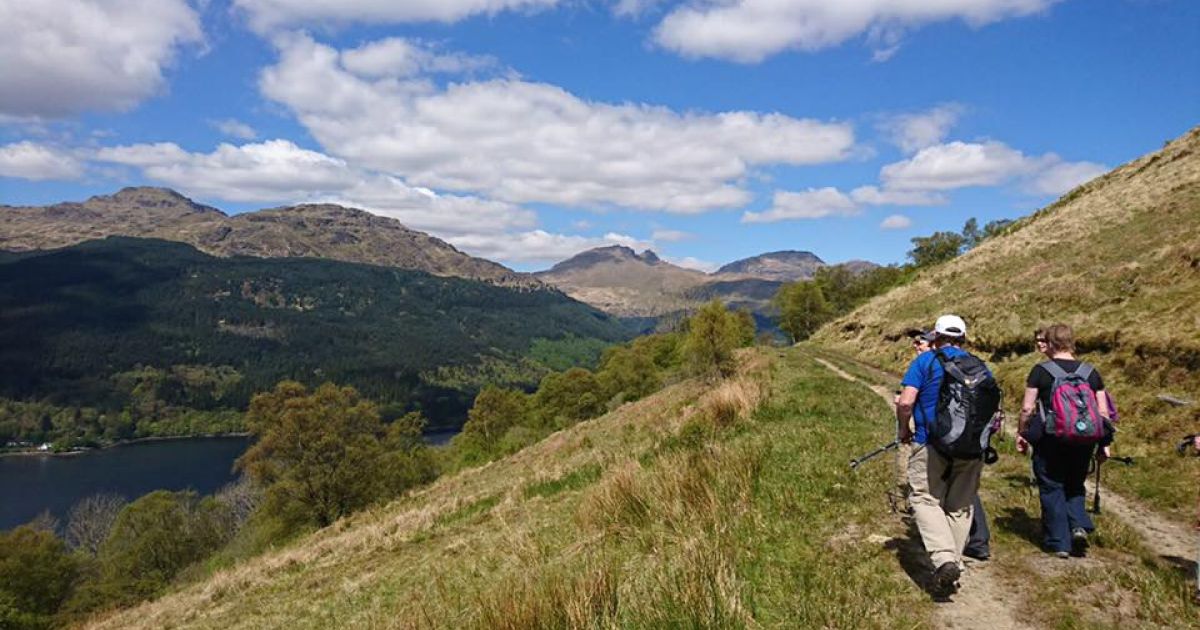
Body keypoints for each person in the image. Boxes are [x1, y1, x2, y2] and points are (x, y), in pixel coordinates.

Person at [896, 315, 990, 595]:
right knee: (960, 506)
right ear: (963, 338)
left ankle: (944, 559)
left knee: (924, 498)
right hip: (971, 448)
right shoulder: (980, 365)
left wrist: (904, 429)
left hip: (930, 443)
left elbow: (906, 402)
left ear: (936, 337)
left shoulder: (925, 361)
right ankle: (953, 565)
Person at [1016, 324, 1112, 558]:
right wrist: (1105, 443)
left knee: (1051, 485)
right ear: (1072, 342)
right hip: (1084, 439)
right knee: (1075, 483)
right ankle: (1077, 525)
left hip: (1051, 438)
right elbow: (1103, 413)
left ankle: (1059, 541)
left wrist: (1022, 432)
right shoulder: (1091, 372)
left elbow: (1027, 408)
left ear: (1050, 343)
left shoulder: (1040, 371)